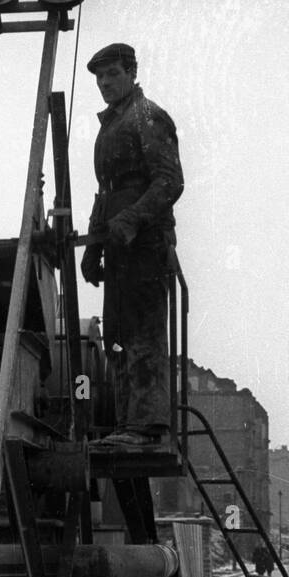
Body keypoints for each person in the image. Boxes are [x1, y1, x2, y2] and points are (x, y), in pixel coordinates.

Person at [81, 43, 184, 449]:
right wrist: (93, 246)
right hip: (118, 248)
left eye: (112, 74)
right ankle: (128, 424)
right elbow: (104, 193)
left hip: (146, 245)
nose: (105, 83)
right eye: (100, 77)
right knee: (119, 335)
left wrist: (130, 221)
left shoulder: (148, 118)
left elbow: (169, 182)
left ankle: (147, 426)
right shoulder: (110, 128)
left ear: (131, 72)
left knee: (143, 332)